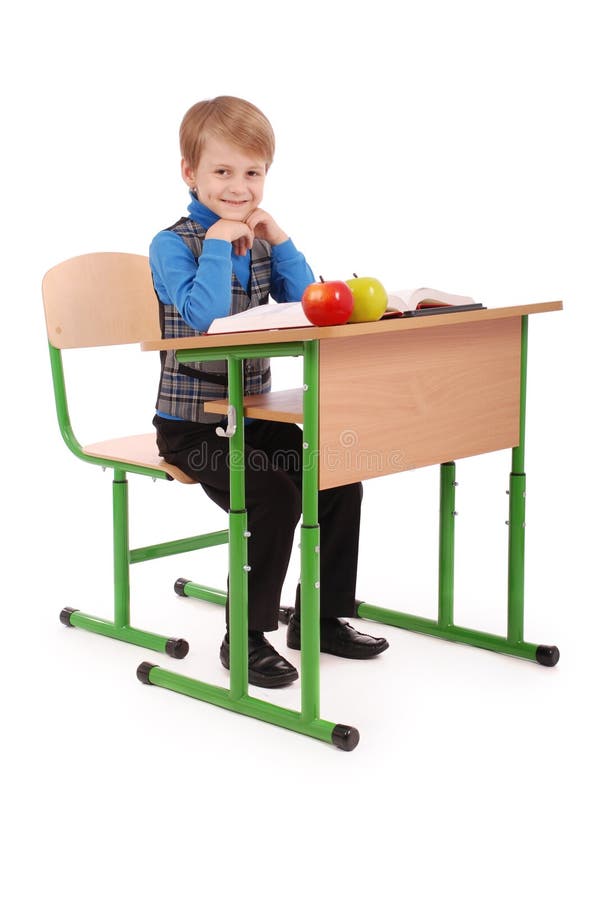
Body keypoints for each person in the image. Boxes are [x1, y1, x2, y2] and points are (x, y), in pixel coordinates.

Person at [150, 96, 389, 688]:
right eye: (222, 172)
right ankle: (246, 636)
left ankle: (322, 617)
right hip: (193, 430)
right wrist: (217, 244)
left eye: (252, 173)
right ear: (190, 173)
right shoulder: (173, 245)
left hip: (248, 418)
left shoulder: (259, 242)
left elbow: (313, 304)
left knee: (333, 472)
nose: (238, 187)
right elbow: (205, 320)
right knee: (272, 494)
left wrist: (277, 239)